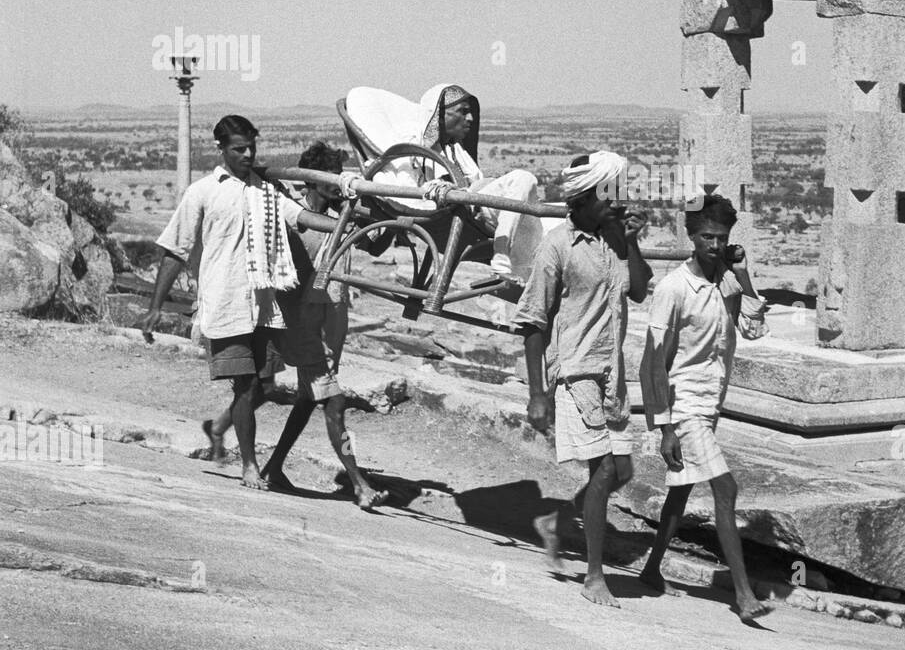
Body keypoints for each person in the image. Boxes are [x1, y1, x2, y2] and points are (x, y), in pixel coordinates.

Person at [140, 115, 338, 492]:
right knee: (245, 387)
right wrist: (155, 305)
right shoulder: (203, 192)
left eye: (252, 147)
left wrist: (346, 221)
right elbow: (174, 250)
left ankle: (229, 442)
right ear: (221, 149)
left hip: (263, 303)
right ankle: (250, 466)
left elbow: (301, 217)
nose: (248, 154)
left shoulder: (267, 192)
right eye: (239, 149)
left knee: (259, 385)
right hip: (225, 303)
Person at [515, 150, 651, 607]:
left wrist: (629, 240)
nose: (619, 201)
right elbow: (533, 321)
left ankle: (557, 524)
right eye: (610, 193)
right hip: (576, 370)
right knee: (607, 468)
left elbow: (637, 287)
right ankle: (594, 577)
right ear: (587, 196)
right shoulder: (556, 246)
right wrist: (538, 393)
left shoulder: (614, 236)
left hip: (612, 371)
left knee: (622, 469)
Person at [638, 194, 773, 625]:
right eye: (707, 237)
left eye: (722, 238)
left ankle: (651, 567)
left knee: (680, 492)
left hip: (712, 403)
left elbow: (754, 329)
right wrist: (665, 427)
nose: (714, 245)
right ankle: (744, 595)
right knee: (725, 489)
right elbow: (653, 360)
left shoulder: (727, 283)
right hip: (683, 405)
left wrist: (744, 276)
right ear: (691, 236)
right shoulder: (674, 288)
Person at [257, 141, 390, 510]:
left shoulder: (340, 214)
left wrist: (383, 208)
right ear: (313, 181)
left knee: (306, 398)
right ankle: (359, 483)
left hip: (329, 320)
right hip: (304, 323)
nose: (336, 185)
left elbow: (376, 246)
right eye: (329, 179)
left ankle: (270, 465)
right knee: (334, 401)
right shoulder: (294, 217)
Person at [419, 83, 560, 292]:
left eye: (470, 112)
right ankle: (501, 260)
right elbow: (431, 192)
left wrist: (485, 184)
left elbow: (477, 181)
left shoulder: (457, 151)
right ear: (439, 115)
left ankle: (530, 282)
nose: (470, 119)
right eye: (462, 112)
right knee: (524, 178)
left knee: (561, 216)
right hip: (467, 210)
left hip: (480, 206)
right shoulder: (425, 154)